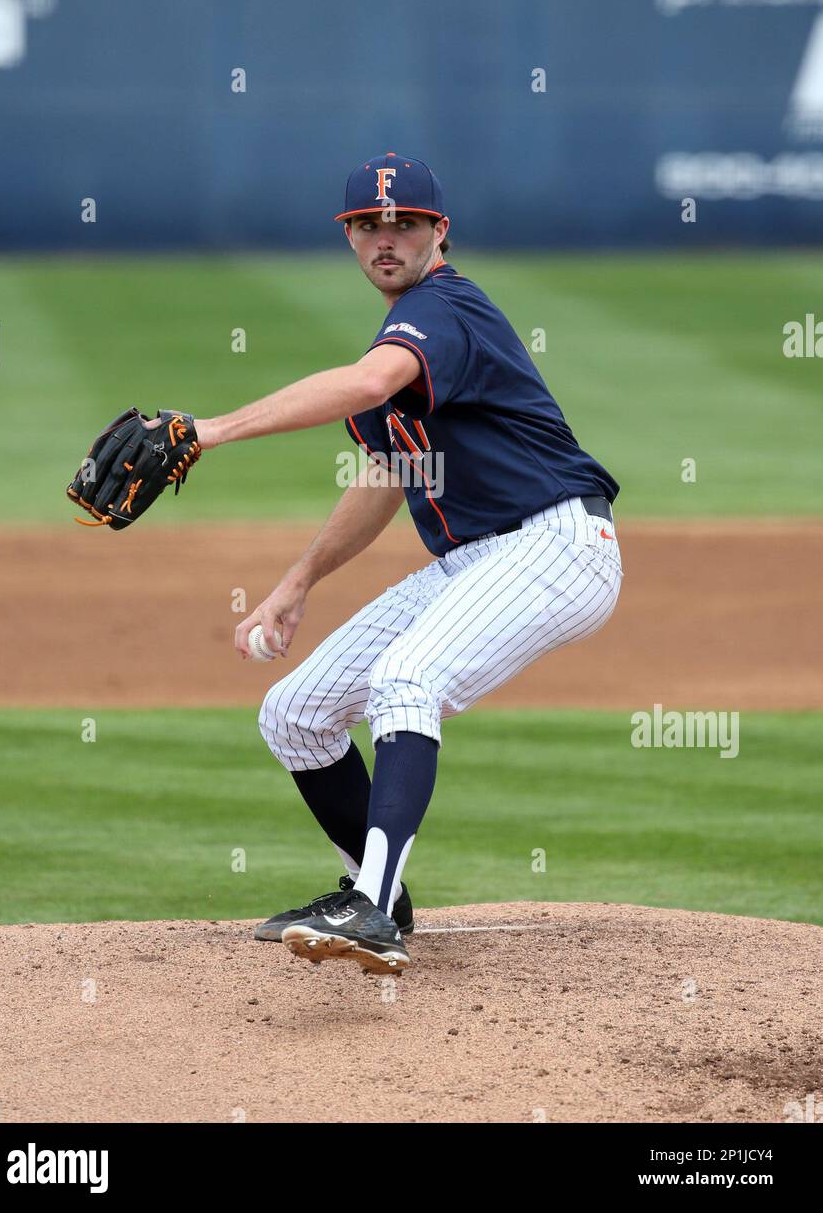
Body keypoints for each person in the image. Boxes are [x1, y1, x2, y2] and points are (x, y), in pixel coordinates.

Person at [191, 152, 623, 974]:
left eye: (405, 224)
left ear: (439, 233)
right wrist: (297, 582)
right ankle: (376, 887)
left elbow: (366, 383)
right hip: (480, 559)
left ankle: (374, 910)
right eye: (369, 226)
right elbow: (390, 475)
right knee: (296, 711)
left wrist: (212, 429)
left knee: (406, 681)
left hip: (557, 543)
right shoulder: (406, 330)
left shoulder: (442, 308)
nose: (386, 239)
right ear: (350, 237)